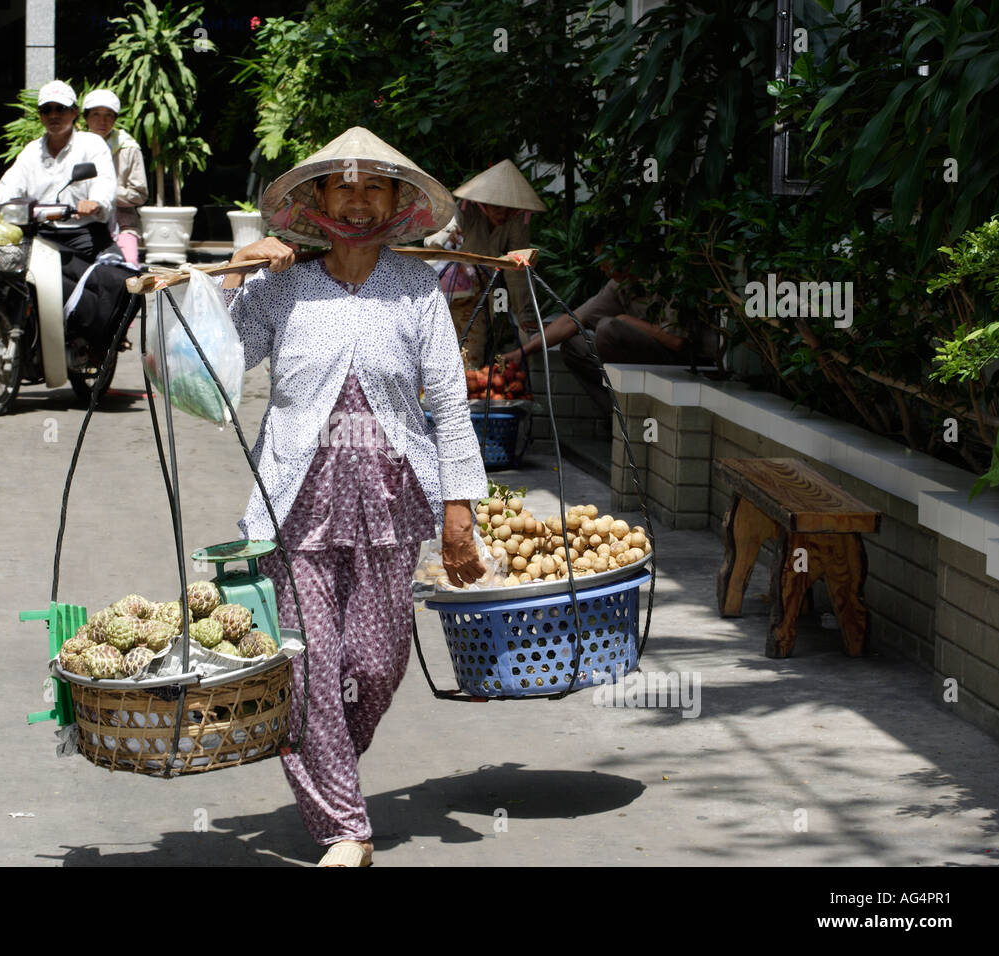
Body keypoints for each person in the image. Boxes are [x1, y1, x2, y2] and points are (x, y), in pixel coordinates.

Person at [221, 127, 489, 867]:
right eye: (345, 185)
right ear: (317, 199)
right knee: (305, 664)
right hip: (293, 500)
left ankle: (320, 755)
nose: (359, 200)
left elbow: (450, 403)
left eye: (375, 186)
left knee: (375, 666)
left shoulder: (416, 288)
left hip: (392, 496)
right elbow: (204, 376)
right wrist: (234, 277)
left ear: (398, 202)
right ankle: (347, 827)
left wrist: (460, 508)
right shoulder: (281, 287)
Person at [0, 80, 132, 355]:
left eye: (61, 109)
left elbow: (105, 183)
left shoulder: (91, 145)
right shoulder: (31, 151)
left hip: (83, 235)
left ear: (74, 113)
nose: (54, 115)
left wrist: (95, 203)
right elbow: (9, 185)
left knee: (114, 283)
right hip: (38, 234)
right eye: (47, 110)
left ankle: (91, 344)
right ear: (41, 116)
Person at [500, 263, 717, 414]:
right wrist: (521, 353)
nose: (602, 267)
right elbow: (572, 320)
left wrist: (625, 320)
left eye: (605, 259)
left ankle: (633, 410)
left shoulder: (666, 280)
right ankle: (616, 414)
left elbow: (676, 342)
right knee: (574, 344)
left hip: (678, 365)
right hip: (638, 365)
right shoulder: (618, 286)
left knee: (608, 328)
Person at [424, 159, 548, 360]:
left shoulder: (517, 219)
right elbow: (443, 231)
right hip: (454, 285)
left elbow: (517, 266)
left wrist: (525, 315)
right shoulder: (466, 209)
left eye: (509, 208)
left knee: (473, 351)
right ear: (484, 203)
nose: (503, 214)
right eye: (497, 207)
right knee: (438, 345)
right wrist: (449, 234)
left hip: (486, 287)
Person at [81, 89, 149, 265]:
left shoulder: (128, 148)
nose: (102, 121)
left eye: (109, 115)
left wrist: (106, 194)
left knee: (129, 266)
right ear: (86, 118)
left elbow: (139, 193)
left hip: (123, 224)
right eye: (96, 114)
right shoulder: (75, 148)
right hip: (82, 225)